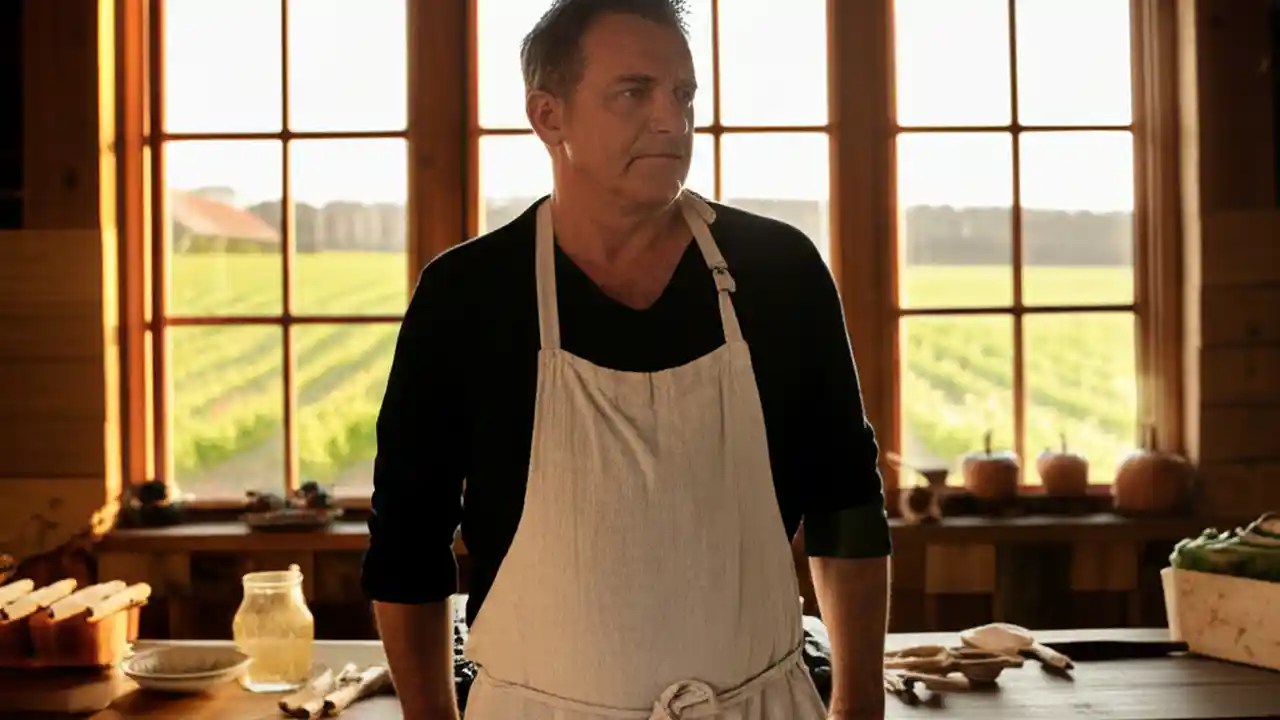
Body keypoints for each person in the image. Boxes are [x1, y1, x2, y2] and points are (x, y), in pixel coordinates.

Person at [361, 1, 892, 718]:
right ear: (549, 117)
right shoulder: (469, 297)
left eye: (684, 95)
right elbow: (408, 543)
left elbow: (847, 503)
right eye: (633, 92)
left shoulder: (779, 273)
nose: (672, 121)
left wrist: (859, 707)